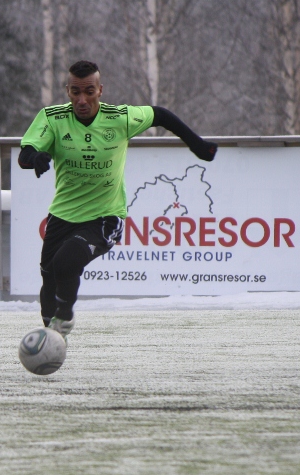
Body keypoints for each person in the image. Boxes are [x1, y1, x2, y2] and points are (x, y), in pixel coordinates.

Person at [18, 60, 217, 337]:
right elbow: (26, 152)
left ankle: (64, 320)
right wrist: (35, 158)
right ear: (67, 91)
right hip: (62, 215)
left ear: (100, 90)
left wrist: (197, 144)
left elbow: (160, 115)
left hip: (104, 216)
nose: (82, 99)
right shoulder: (53, 118)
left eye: (89, 91)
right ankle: (52, 340)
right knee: (49, 280)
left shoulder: (120, 118)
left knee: (66, 263)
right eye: (76, 92)